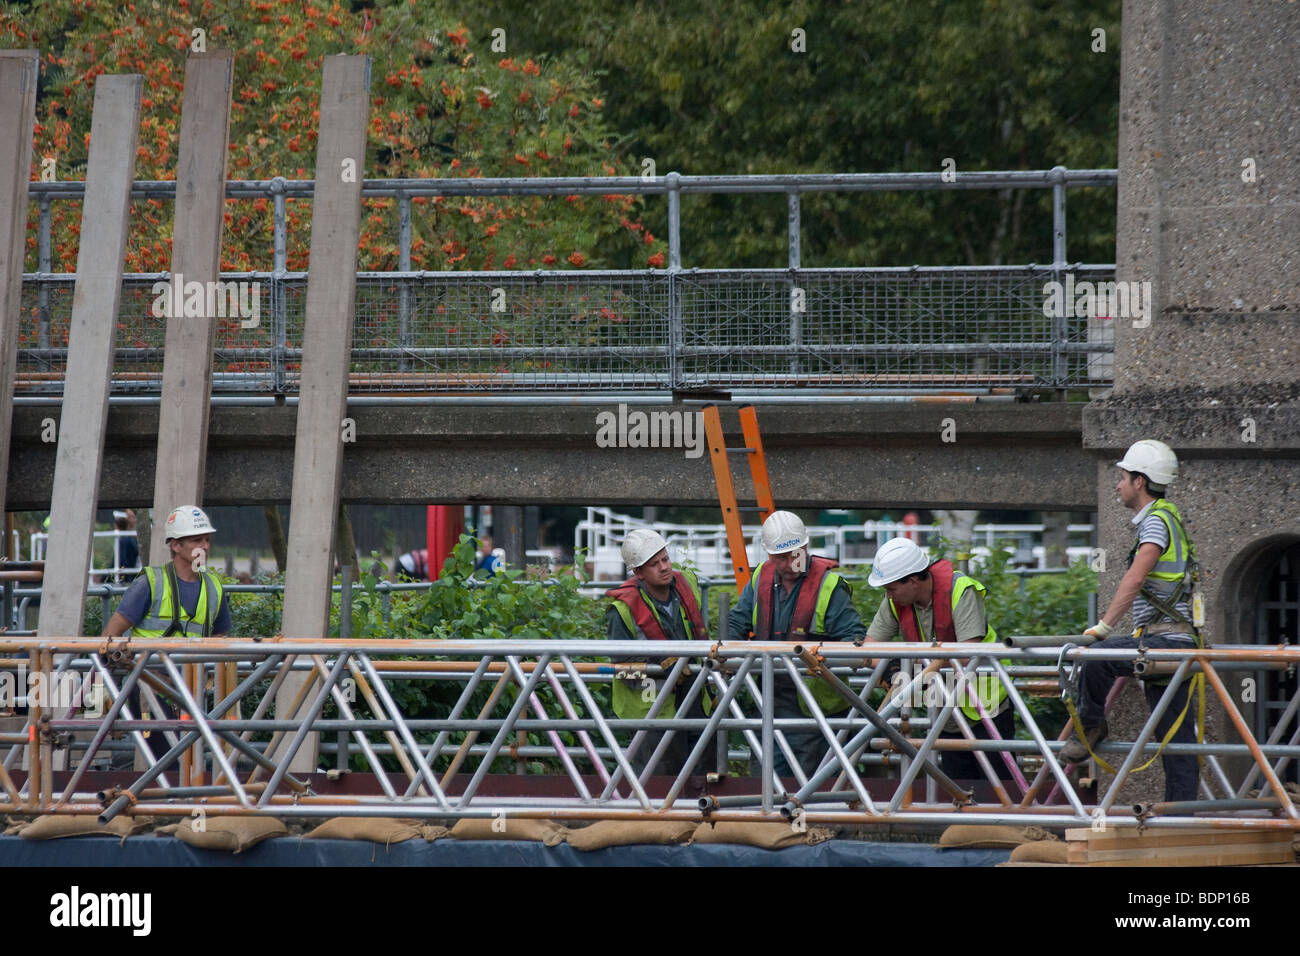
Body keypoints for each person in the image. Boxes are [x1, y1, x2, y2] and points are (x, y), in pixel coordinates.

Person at [1060, 440, 1199, 801]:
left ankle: (1090, 727)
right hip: (1176, 644)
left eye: (1122, 477)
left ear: (1140, 481)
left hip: (1166, 642)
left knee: (1096, 657)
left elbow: (1135, 578)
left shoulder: (1156, 522)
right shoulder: (1169, 517)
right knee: (1176, 736)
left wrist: (1104, 627)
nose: (1118, 485)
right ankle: (1181, 817)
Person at [728, 511, 865, 778]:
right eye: (782, 557)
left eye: (796, 554)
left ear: (805, 546)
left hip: (815, 706)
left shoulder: (829, 585)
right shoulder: (760, 580)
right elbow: (737, 622)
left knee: (807, 784)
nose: (791, 563)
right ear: (769, 556)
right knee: (765, 782)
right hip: (768, 699)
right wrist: (727, 653)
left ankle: (805, 820)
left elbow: (854, 641)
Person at [865, 537, 1013, 781]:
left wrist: (912, 666)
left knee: (998, 784)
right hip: (944, 708)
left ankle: (1009, 818)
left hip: (986, 704)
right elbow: (868, 650)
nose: (888, 596)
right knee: (957, 788)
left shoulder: (960, 590)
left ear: (912, 581)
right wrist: (891, 666)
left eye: (891, 588)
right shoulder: (897, 600)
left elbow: (967, 654)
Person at [605, 528, 714, 778]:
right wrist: (660, 669)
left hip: (694, 699)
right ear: (638, 572)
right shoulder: (621, 610)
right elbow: (622, 667)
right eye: (654, 564)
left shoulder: (684, 589)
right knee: (660, 784)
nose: (664, 567)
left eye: (665, 559)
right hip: (650, 708)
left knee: (703, 778)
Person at [102, 505, 231, 640]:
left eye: (207, 540)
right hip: (150, 661)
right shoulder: (149, 583)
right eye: (197, 540)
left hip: (191, 662)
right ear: (175, 546)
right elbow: (109, 636)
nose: (205, 546)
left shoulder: (214, 587)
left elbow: (218, 644)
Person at [112, 509, 140, 582]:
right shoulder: (130, 538)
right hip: (130, 575)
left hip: (127, 577)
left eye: (132, 517)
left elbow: (123, 561)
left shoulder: (125, 540)